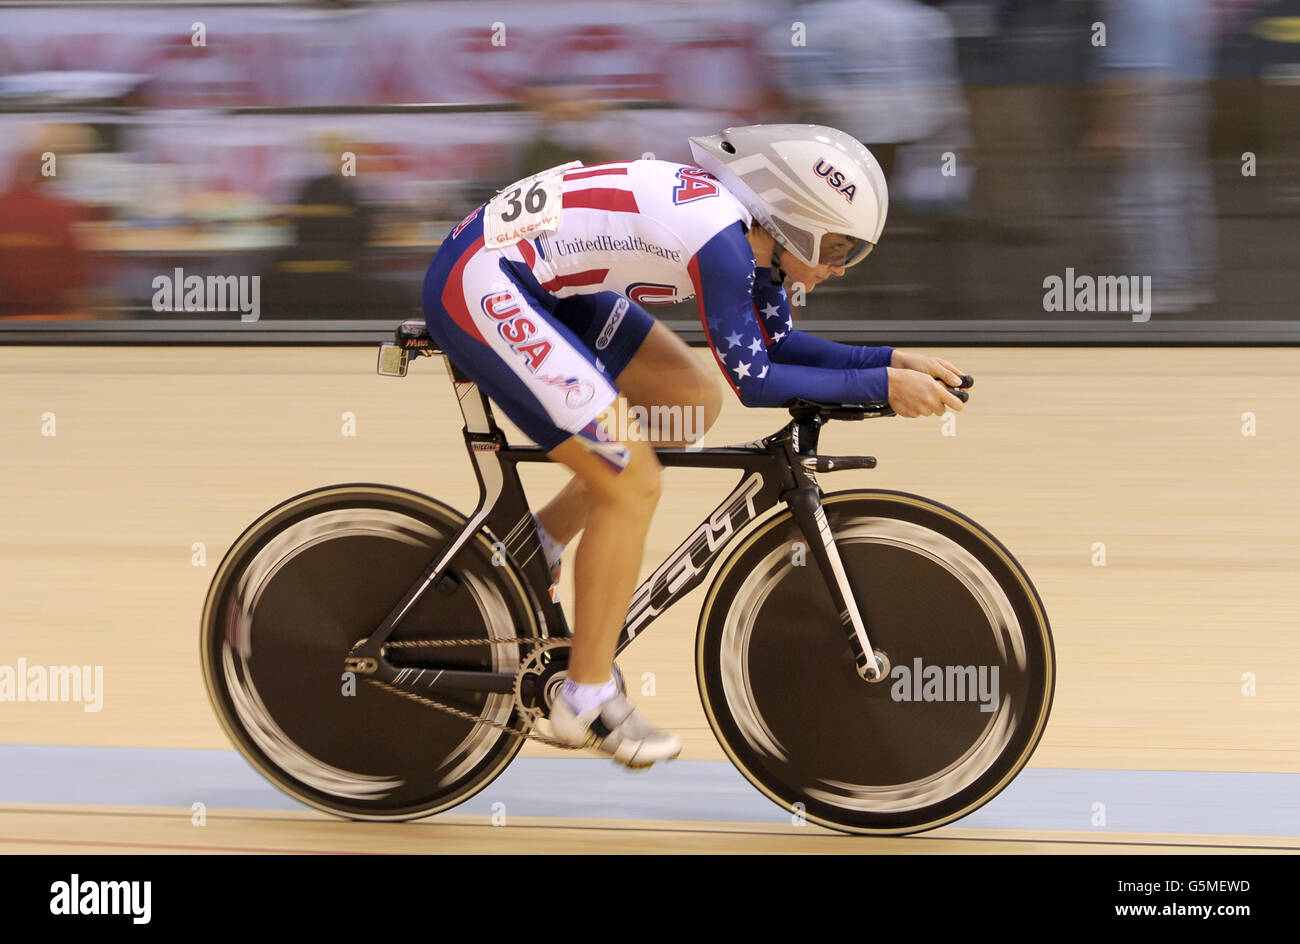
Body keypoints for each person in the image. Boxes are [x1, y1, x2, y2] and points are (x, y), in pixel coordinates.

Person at [421, 124, 966, 768]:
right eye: (836, 246)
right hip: (486, 282)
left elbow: (778, 347)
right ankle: (583, 700)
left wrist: (892, 360)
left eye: (854, 253)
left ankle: (534, 544)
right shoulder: (725, 245)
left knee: (686, 403)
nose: (838, 267)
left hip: (538, 280)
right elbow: (756, 381)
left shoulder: (752, 234)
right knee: (632, 482)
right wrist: (882, 385)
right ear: (791, 218)